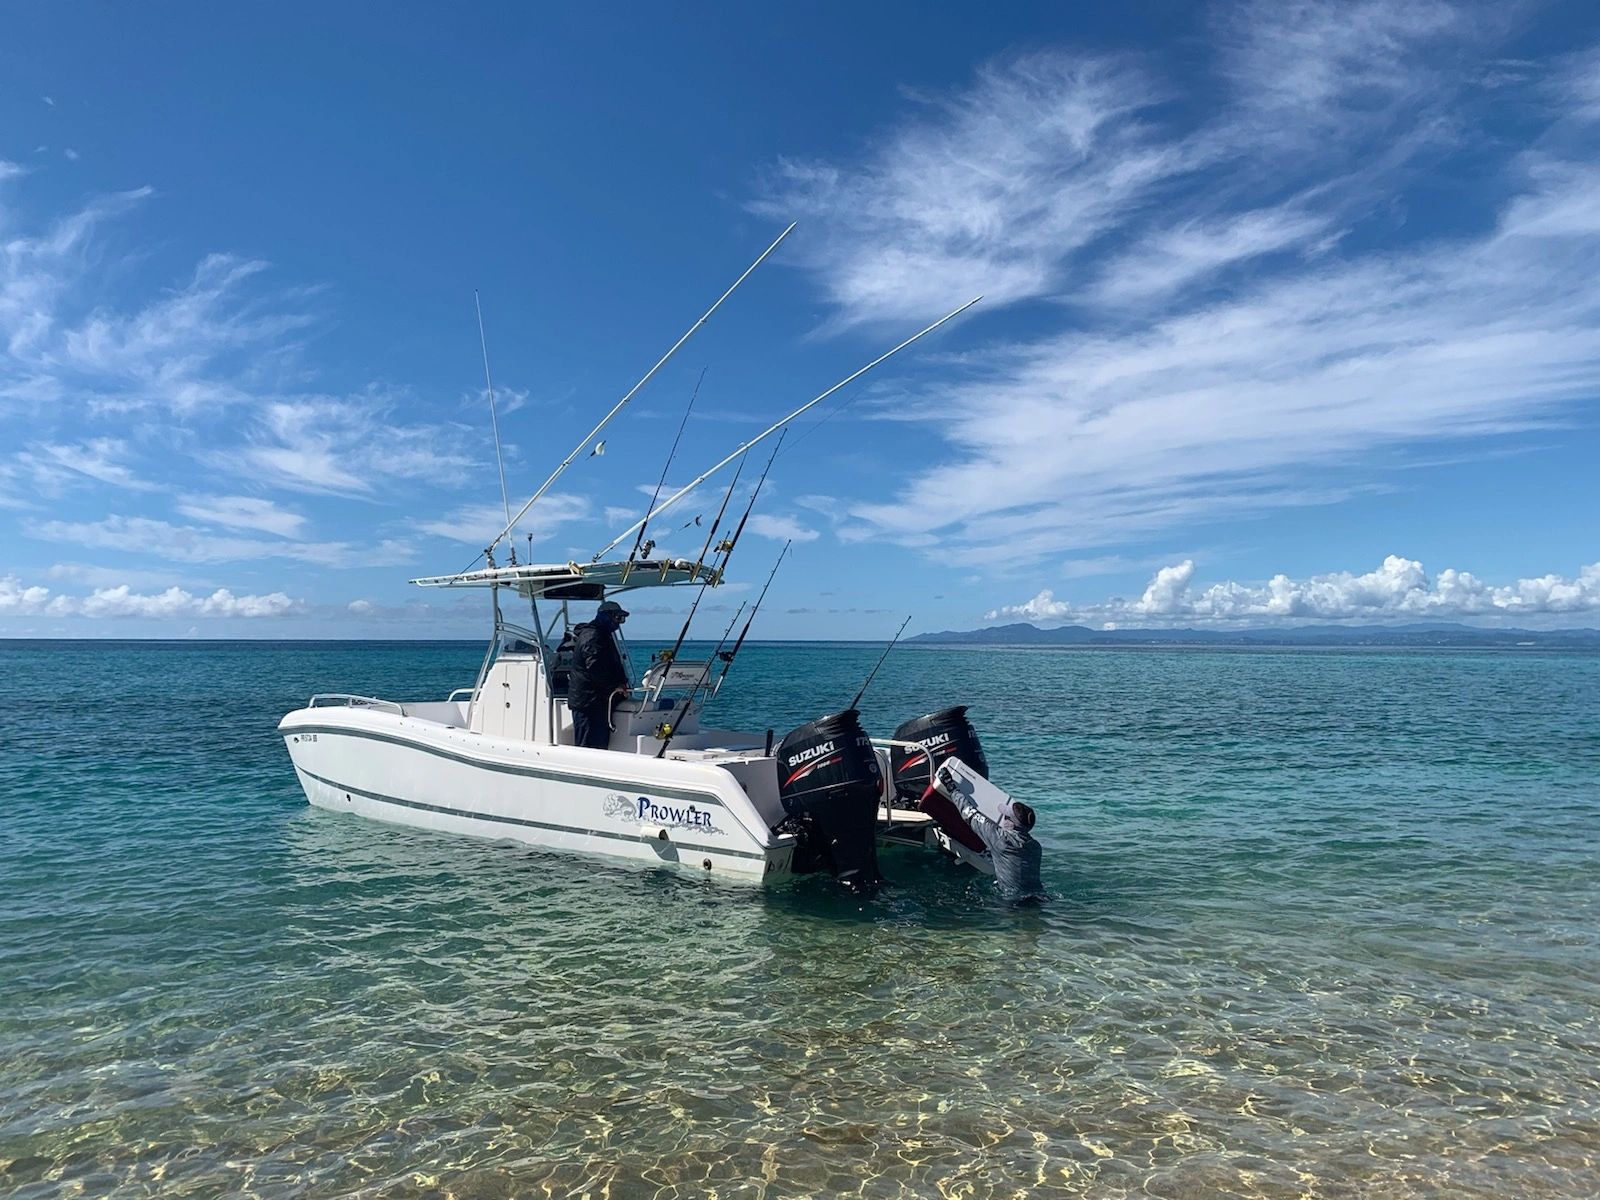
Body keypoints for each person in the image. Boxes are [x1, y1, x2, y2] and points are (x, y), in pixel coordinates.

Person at [955, 793, 1044, 901]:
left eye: (1006, 817)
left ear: (1011, 823)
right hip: (1040, 897)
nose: (1004, 818)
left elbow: (969, 814)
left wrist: (952, 789)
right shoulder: (1036, 847)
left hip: (1013, 902)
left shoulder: (1001, 839)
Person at [567, 600, 630, 749]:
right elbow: (595, 667)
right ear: (605, 616)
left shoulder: (602, 635)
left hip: (597, 701)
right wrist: (615, 686)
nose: (619, 623)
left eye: (621, 619)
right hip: (588, 702)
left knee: (598, 744)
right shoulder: (593, 636)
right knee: (587, 745)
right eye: (617, 618)